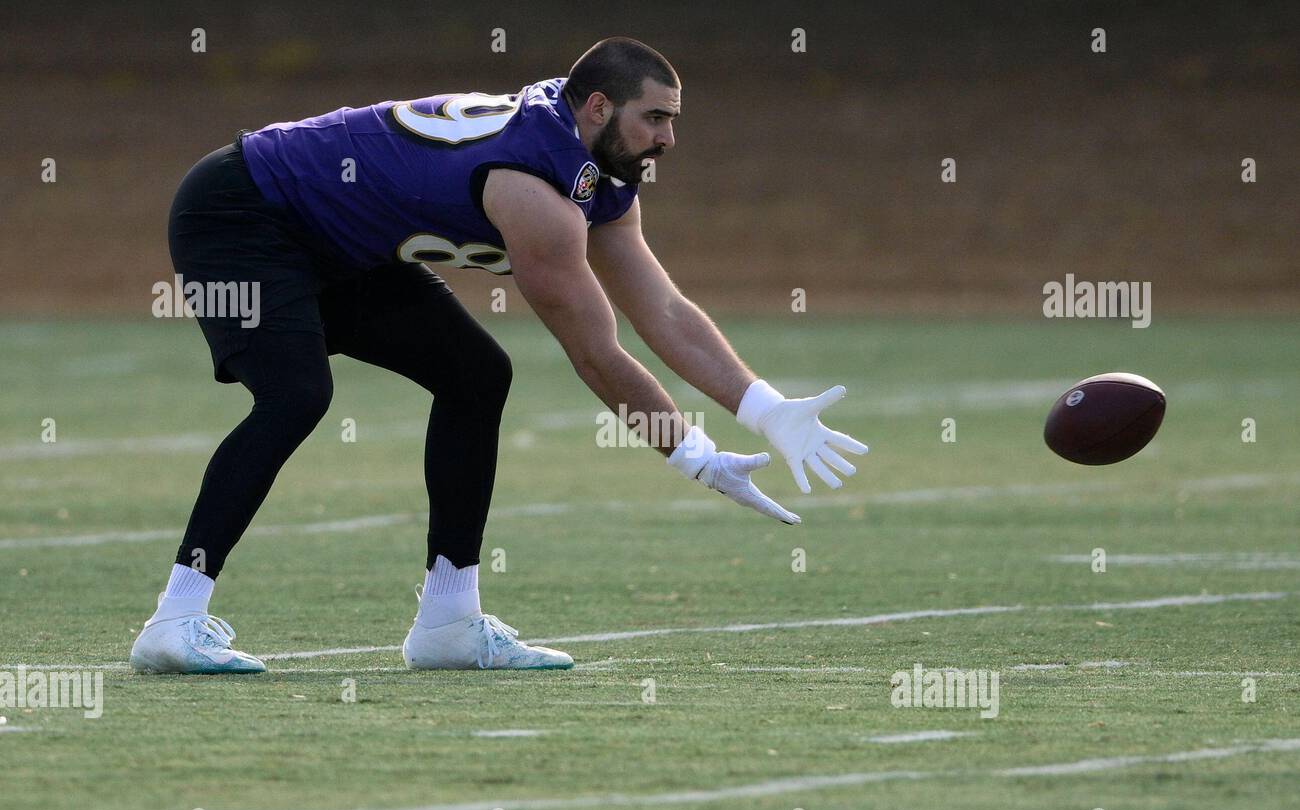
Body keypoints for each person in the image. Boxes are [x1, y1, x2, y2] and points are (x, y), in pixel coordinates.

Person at [130, 37, 867, 675]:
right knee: (295, 394)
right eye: (657, 118)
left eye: (673, 120)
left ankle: (449, 621)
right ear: (599, 108)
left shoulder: (592, 171)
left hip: (339, 239)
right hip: (242, 210)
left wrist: (765, 408)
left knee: (476, 375)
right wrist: (697, 457)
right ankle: (174, 618)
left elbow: (663, 309)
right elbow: (597, 352)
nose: (669, 139)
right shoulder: (535, 190)